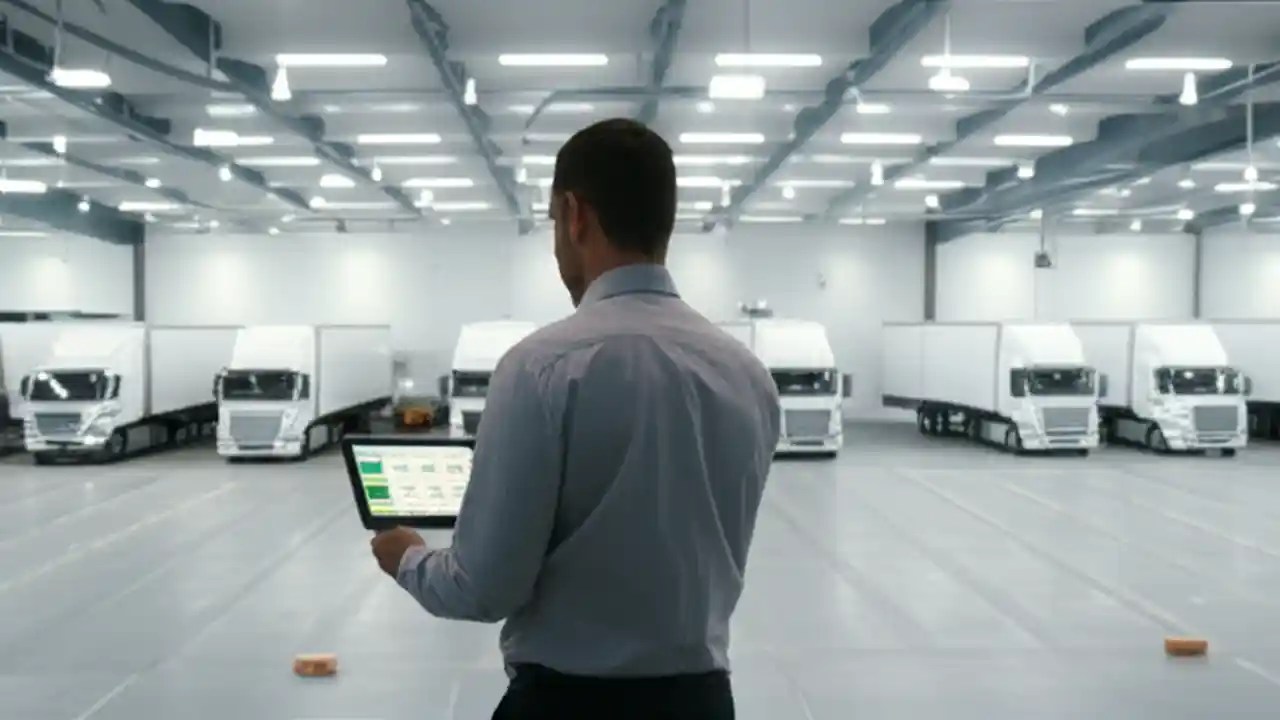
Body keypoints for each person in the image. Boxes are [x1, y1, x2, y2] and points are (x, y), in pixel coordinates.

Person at [370, 118, 781, 719]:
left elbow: (484, 586)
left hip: (568, 705)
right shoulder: (748, 376)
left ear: (574, 215)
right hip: (704, 704)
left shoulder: (541, 368)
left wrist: (405, 556)